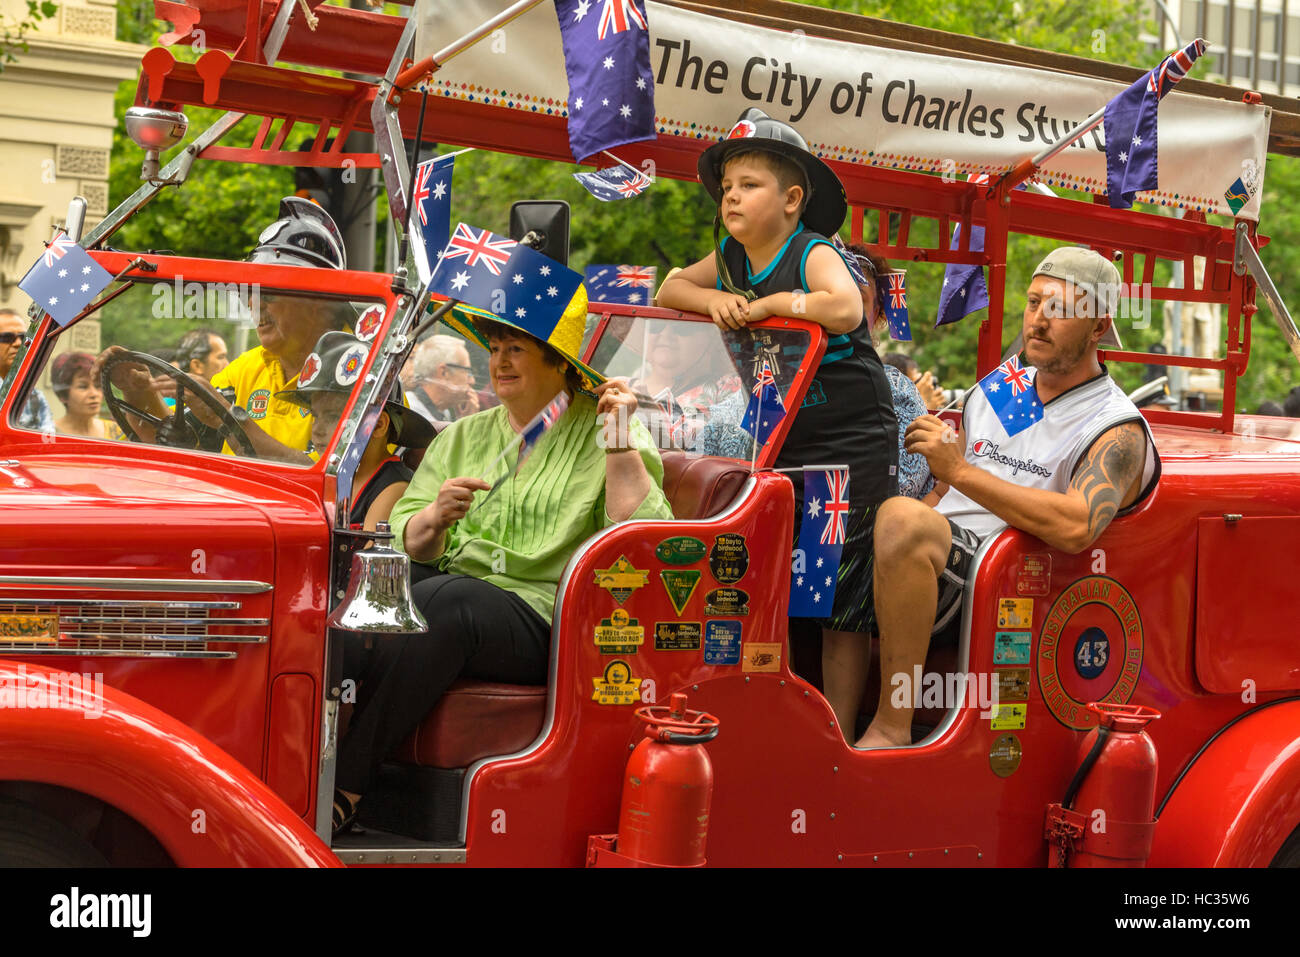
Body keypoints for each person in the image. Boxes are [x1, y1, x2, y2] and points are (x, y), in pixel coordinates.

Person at [331, 288, 674, 833]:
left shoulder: (605, 427)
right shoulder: (464, 435)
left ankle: (347, 780)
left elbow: (638, 539)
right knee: (379, 593)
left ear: (558, 362)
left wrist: (617, 438)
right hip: (450, 596)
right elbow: (407, 535)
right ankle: (303, 761)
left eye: (515, 348)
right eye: (493, 348)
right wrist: (436, 517)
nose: (499, 362)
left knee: (445, 603)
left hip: (548, 618)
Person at [848, 247, 1160, 749]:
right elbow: (950, 486)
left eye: (1058, 309)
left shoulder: (1116, 426)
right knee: (837, 525)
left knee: (901, 521)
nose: (1038, 321)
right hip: (943, 556)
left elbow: (1076, 526)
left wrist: (957, 475)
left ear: (1099, 327)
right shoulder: (1008, 383)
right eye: (1034, 303)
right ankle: (819, 719)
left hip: (1005, 583)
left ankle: (891, 727)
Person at [657, 107, 899, 745]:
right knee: (779, 579)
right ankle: (772, 715)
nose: (732, 196)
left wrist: (767, 305)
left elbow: (844, 307)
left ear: (792, 200)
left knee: (842, 592)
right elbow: (667, 290)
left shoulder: (811, 251)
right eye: (727, 186)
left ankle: (837, 736)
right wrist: (714, 300)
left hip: (851, 440)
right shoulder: (730, 255)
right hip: (781, 433)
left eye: (750, 185)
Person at [95, 197, 349, 459]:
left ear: (317, 301)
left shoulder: (355, 373)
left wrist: (228, 418)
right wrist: (139, 392)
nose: (254, 304)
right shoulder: (247, 369)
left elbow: (326, 481)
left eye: (270, 292)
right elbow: (178, 448)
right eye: (251, 291)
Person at [277, 331, 434, 528]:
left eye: (334, 416)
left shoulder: (393, 487)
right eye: (316, 416)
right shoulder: (327, 475)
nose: (317, 430)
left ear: (378, 425)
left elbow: (364, 556)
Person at [841, 242, 934, 502]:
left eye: (855, 299)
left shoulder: (897, 392)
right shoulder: (779, 379)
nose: (841, 309)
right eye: (828, 295)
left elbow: (900, 489)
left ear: (877, 313)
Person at [402, 334, 480, 424]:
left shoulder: (443, 412)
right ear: (444, 372)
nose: (472, 381)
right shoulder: (410, 411)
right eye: (467, 372)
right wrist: (467, 424)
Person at [0, 308, 53, 434]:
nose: (18, 343)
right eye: (7, 337)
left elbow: (48, 444)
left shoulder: (34, 396)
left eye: (23, 337)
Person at [50, 352, 124, 440]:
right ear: (63, 395)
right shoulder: (47, 433)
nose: (94, 394)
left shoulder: (117, 432)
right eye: (83, 387)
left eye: (97, 386)